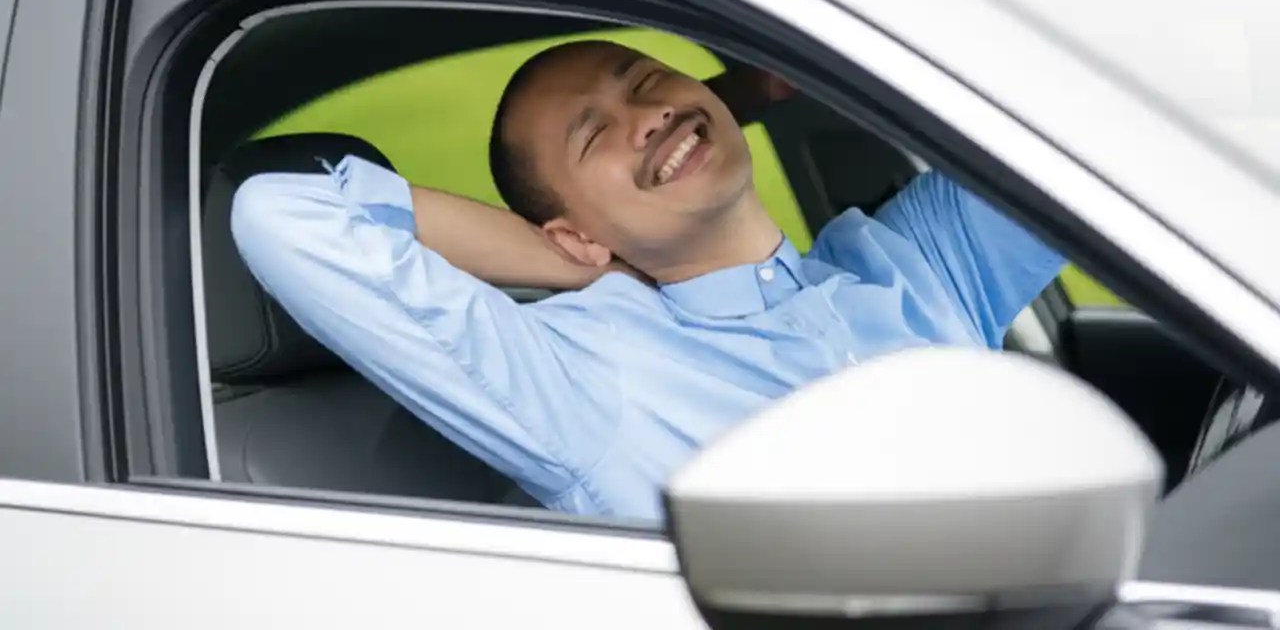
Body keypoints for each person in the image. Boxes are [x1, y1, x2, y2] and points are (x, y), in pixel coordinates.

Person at [232, 40, 1065, 521]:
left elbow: (1071, 92)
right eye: (598, 135)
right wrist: (566, 258)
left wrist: (765, 73)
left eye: (646, 81)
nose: (649, 116)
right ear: (571, 228)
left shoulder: (915, 265)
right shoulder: (590, 382)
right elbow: (283, 215)